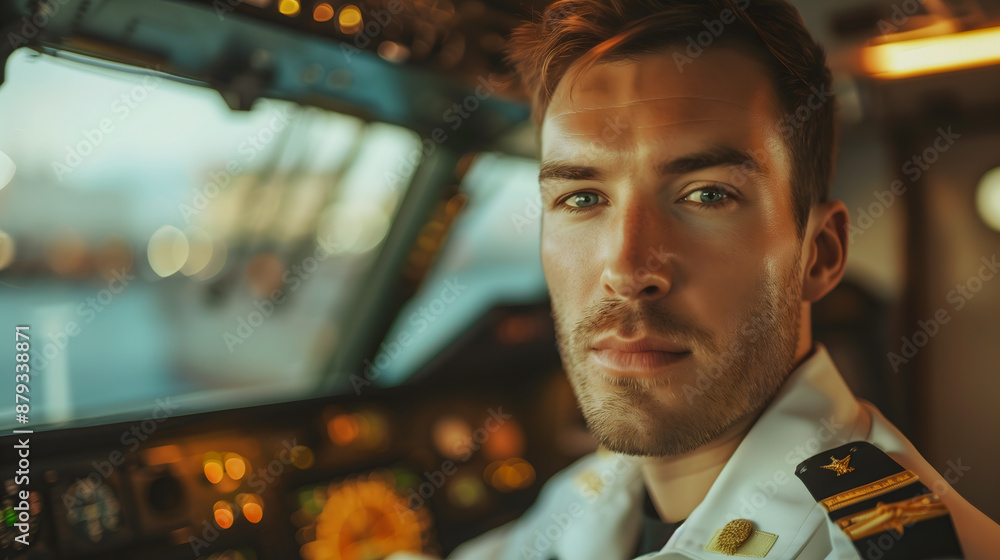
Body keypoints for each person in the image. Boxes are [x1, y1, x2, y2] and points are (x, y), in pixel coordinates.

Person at [394, 0, 1000, 558]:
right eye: (581, 198)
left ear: (818, 255)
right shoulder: (600, 491)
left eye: (706, 194)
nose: (627, 270)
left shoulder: (885, 541)